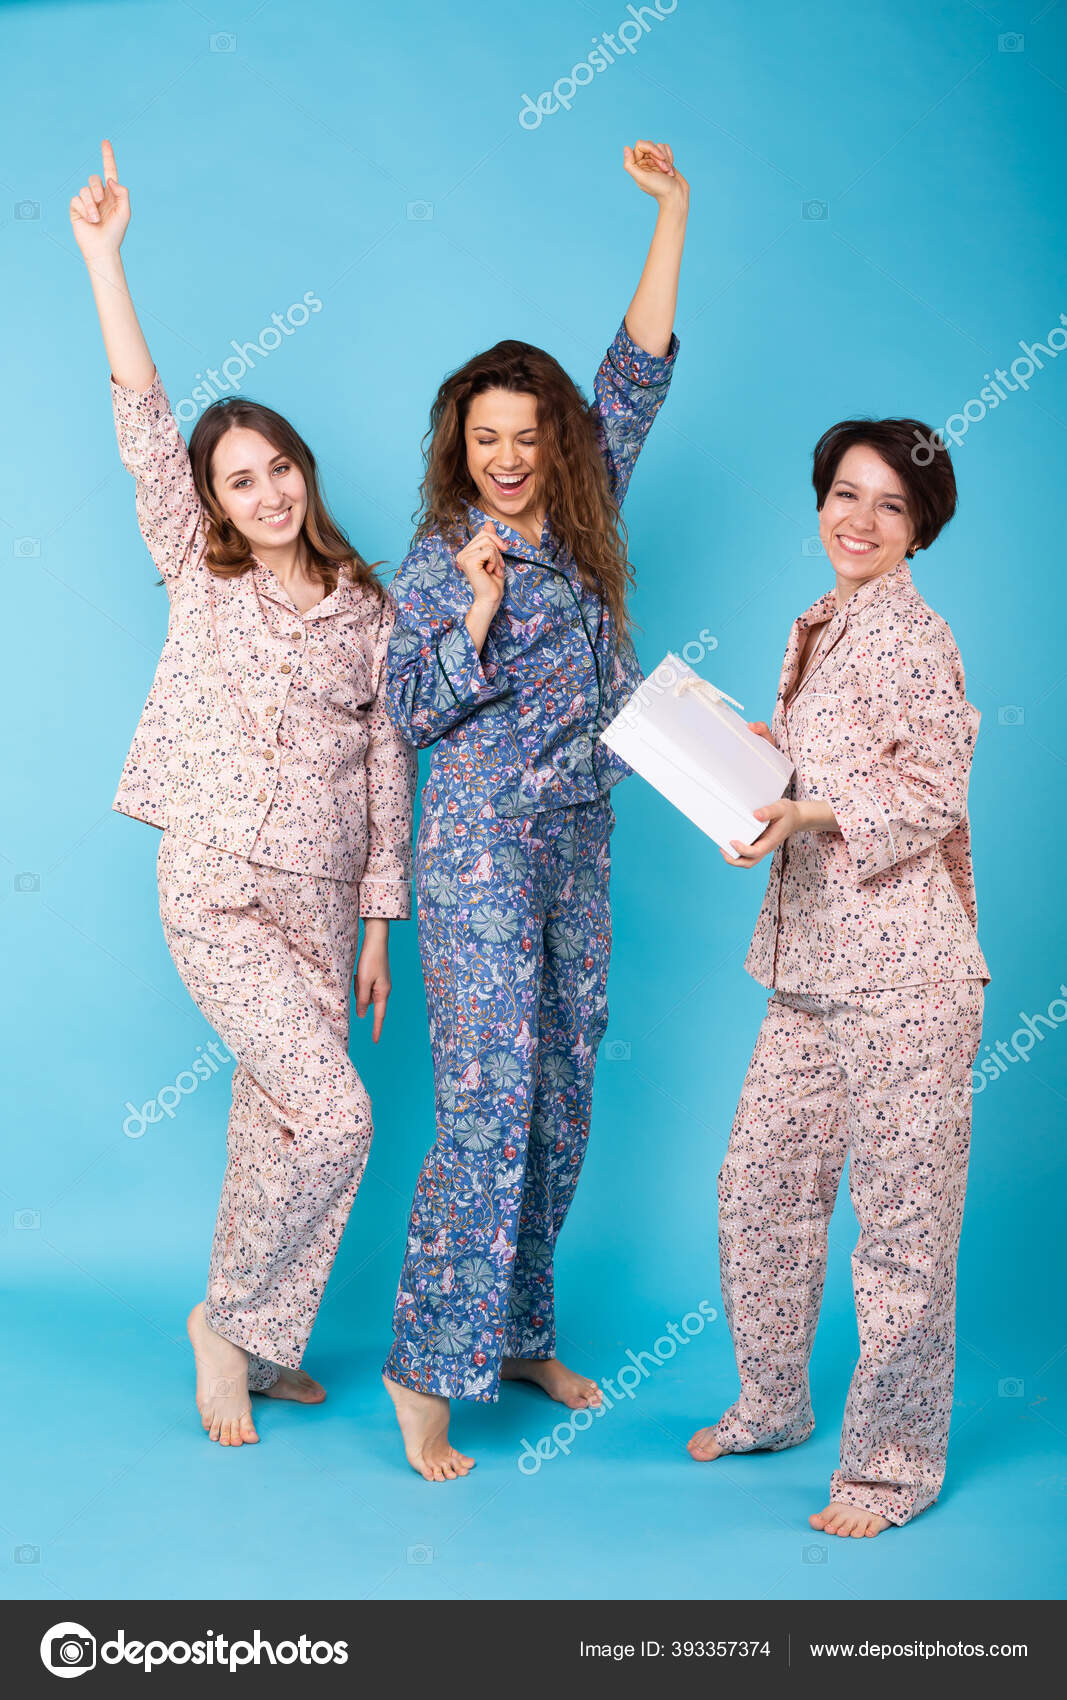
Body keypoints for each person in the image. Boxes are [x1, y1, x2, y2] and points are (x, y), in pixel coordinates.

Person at [71, 140, 415, 1447]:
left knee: (278, 1125)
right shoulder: (196, 573)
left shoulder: (369, 604)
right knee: (338, 1113)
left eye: (277, 468)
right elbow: (146, 427)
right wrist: (107, 258)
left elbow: (389, 760)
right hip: (215, 884)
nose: (263, 493)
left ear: (303, 472)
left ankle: (268, 1343)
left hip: (324, 904)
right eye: (238, 480)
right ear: (211, 502)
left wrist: (381, 919)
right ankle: (223, 1321)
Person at [381, 141, 689, 1480]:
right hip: (474, 860)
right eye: (484, 438)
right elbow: (407, 712)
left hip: (576, 845)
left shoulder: (588, 506)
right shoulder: (434, 563)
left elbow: (633, 369)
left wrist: (672, 213)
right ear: (459, 444)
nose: (507, 458)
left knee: (560, 1102)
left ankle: (515, 1333)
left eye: (526, 436)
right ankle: (422, 1371)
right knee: (488, 1105)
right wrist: (478, 616)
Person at [687, 420, 990, 1536]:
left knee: (903, 1230)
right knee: (757, 1192)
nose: (857, 521)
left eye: (888, 507)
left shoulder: (914, 633)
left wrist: (809, 807)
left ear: (919, 528)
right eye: (843, 495)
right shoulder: (821, 621)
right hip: (810, 966)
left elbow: (931, 791)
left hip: (904, 974)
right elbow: (843, 762)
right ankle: (773, 1401)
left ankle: (888, 1468)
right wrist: (762, 766)